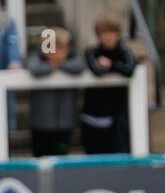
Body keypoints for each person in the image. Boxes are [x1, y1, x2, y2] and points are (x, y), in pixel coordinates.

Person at [26, 27, 86, 158]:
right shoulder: (37, 57)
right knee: (40, 158)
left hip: (65, 123)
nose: (57, 53)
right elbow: (34, 68)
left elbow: (80, 66)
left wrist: (59, 63)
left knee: (61, 159)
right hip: (40, 124)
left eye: (61, 49)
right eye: (53, 49)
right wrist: (53, 65)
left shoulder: (73, 57)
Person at [82, 17, 136, 155]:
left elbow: (129, 70)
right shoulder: (92, 51)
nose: (108, 38)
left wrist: (111, 64)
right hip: (93, 116)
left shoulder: (125, 52)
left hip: (117, 116)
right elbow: (97, 70)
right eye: (103, 34)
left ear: (118, 34)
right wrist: (114, 68)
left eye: (111, 33)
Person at [0, 4, 21, 133]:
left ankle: (10, 128)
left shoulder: (7, 22)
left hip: (4, 72)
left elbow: (13, 42)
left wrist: (14, 61)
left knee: (7, 109)